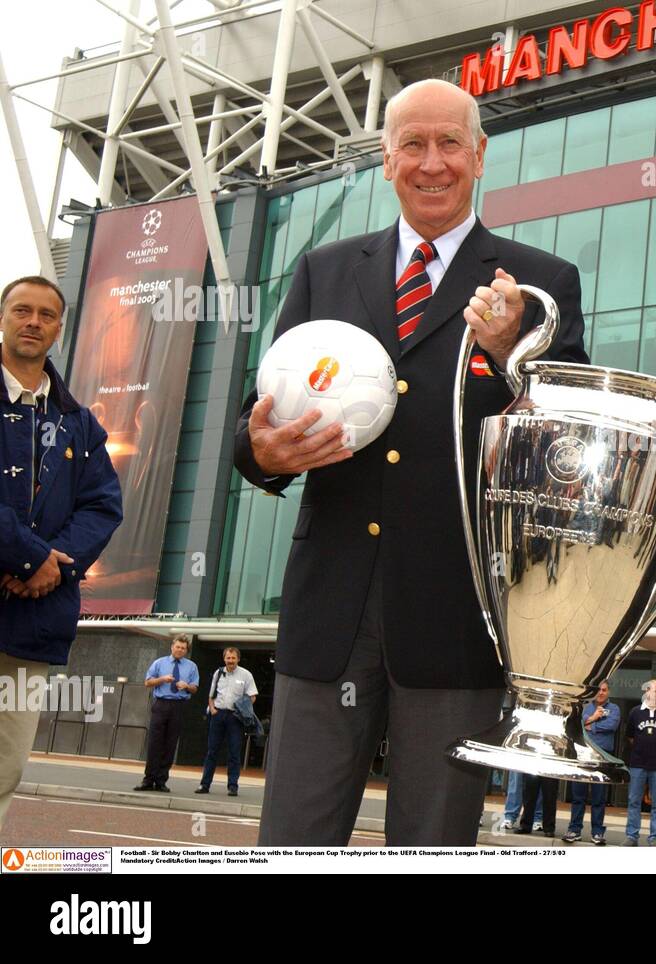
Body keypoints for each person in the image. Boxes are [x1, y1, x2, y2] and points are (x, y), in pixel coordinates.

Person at [233, 78, 587, 847]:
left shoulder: (540, 284)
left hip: (457, 613)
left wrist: (513, 357)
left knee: (432, 842)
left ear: (480, 155)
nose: (433, 163)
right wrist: (261, 453)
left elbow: (567, 449)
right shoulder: (325, 270)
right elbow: (256, 418)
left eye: (450, 143)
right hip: (330, 609)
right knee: (291, 836)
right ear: (387, 159)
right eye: (412, 145)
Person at [0, 276, 122, 832]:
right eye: (21, 310)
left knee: (6, 766)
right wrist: (30, 558)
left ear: (58, 328)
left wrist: (54, 563)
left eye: (46, 314)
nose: (33, 321)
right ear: (3, 318)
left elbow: (103, 506)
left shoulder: (78, 421)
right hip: (26, 585)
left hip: (32, 624)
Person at [135, 635, 199, 792]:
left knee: (170, 744)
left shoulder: (191, 666)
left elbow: (195, 688)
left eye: (183, 648)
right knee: (154, 743)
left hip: (178, 706)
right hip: (161, 704)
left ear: (186, 650)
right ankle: (148, 779)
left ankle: (161, 780)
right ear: (172, 647)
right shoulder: (159, 663)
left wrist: (187, 686)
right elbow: (147, 682)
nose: (180, 650)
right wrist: (162, 679)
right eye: (177, 647)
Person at [564, 679, 620, 844]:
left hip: (603, 758)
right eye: (599, 690)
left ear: (608, 692)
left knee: (599, 797)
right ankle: (574, 830)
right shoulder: (586, 707)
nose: (601, 692)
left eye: (604, 690)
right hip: (583, 755)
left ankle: (597, 832)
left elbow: (611, 726)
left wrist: (590, 724)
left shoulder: (614, 709)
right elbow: (576, 726)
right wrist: (594, 717)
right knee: (578, 796)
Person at [196, 647, 258, 797]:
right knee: (212, 751)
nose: (230, 661)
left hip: (235, 717)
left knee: (234, 752)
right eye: (228, 658)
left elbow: (253, 695)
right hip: (218, 714)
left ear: (238, 659)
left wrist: (242, 710)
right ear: (224, 659)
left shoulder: (246, 675)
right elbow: (211, 694)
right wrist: (212, 709)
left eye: (233, 658)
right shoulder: (218, 673)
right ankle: (204, 784)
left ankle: (232, 786)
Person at [623, 679, 656, 846]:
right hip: (638, 764)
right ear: (647, 692)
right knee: (634, 801)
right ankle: (632, 836)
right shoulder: (635, 712)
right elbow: (630, 736)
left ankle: (654, 838)